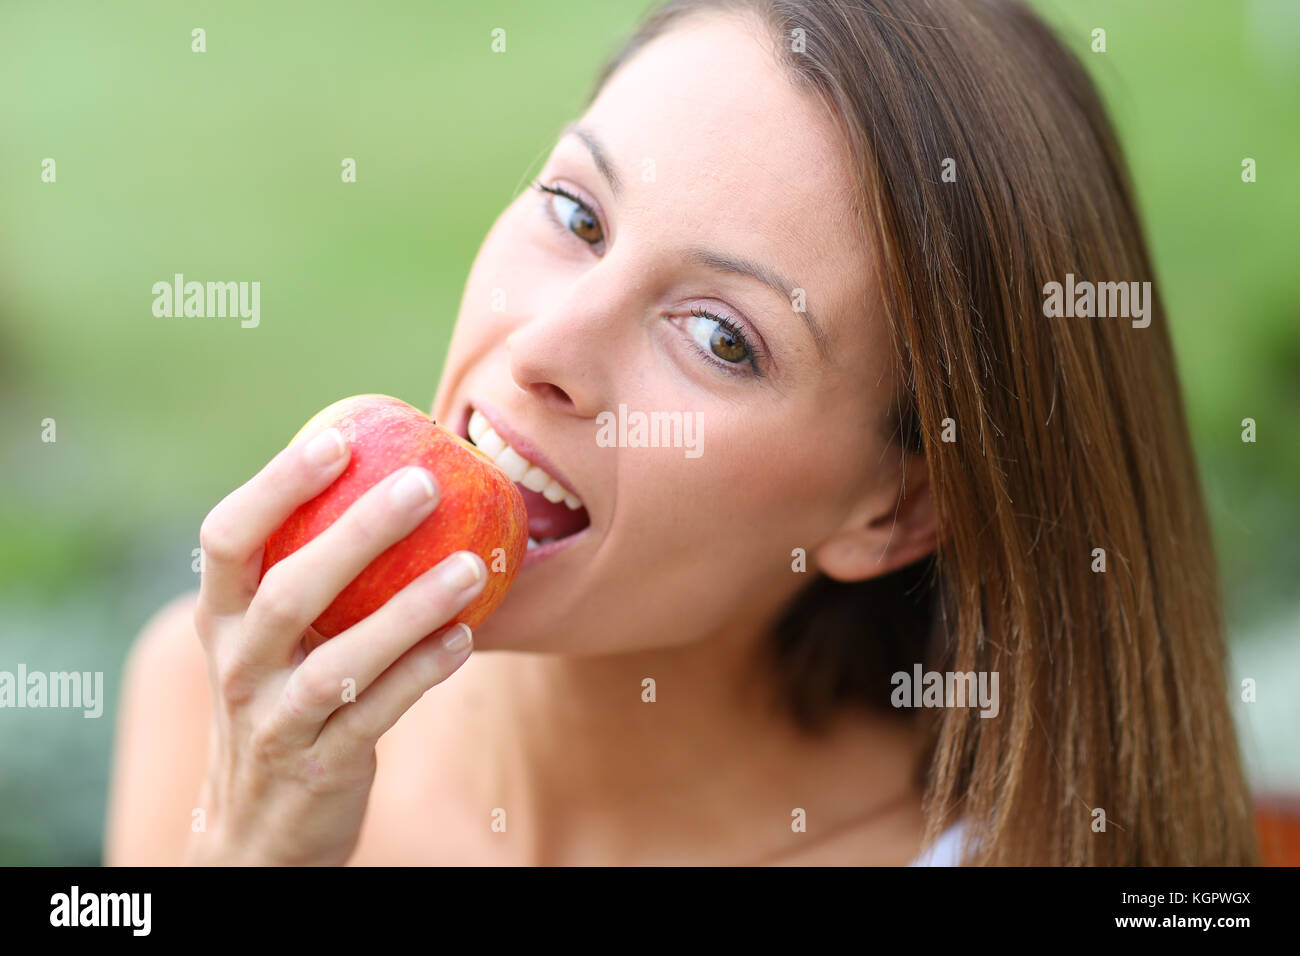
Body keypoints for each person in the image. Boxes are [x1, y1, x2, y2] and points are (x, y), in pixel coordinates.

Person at [105, 0, 1258, 865]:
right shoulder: (221, 705)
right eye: (576, 213)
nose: (547, 346)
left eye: (719, 336)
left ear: (893, 508)